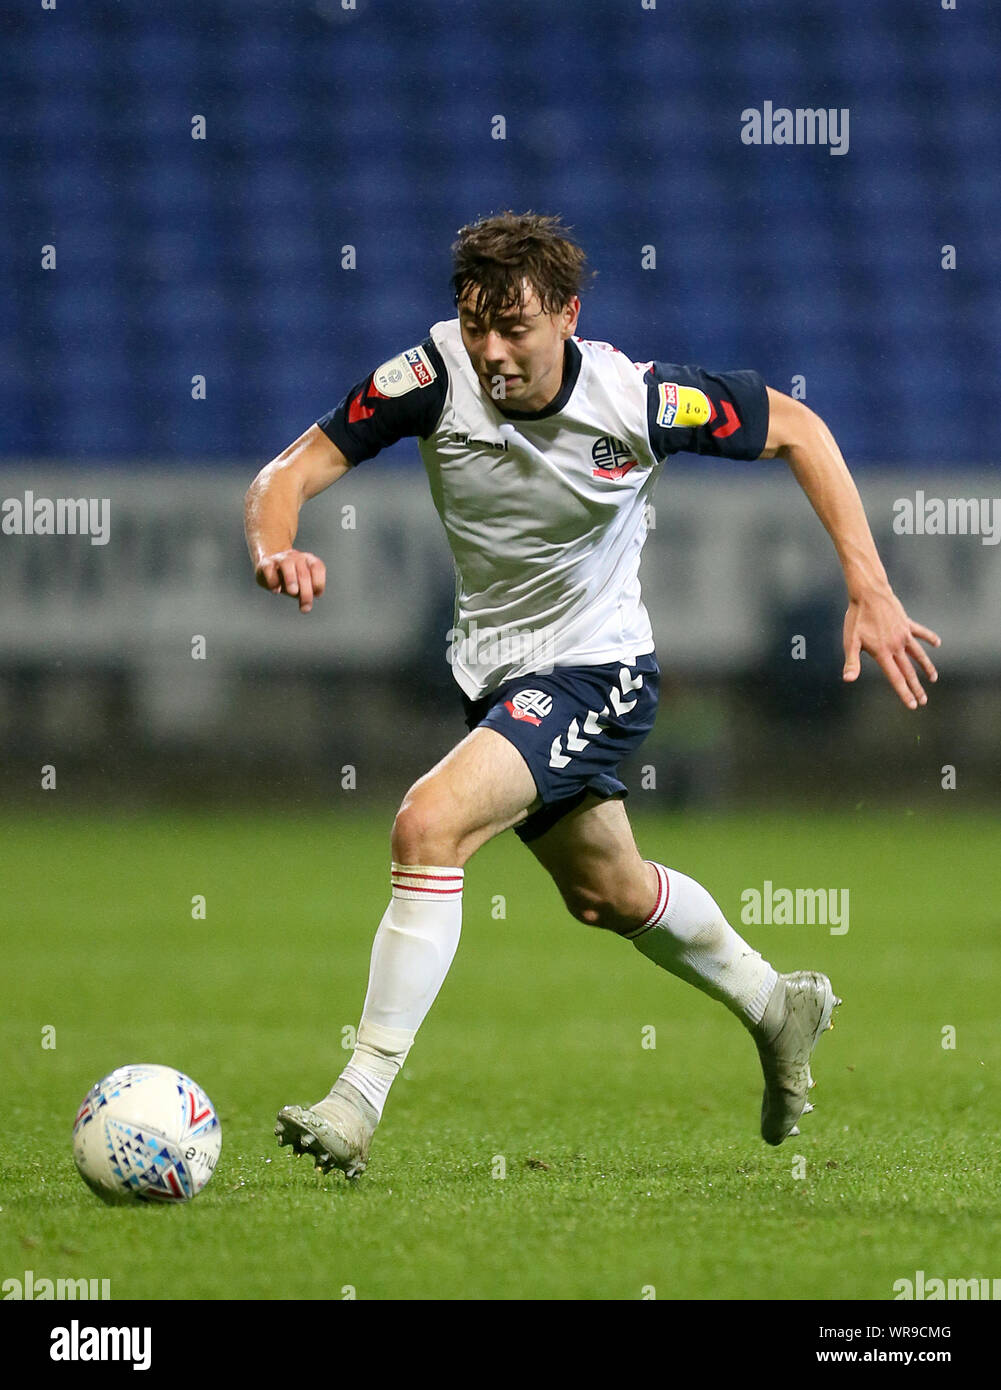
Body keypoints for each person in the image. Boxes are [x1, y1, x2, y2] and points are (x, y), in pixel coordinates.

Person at [243, 211, 940, 1178]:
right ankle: (776, 1003)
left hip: (597, 672)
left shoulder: (636, 400)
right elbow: (290, 470)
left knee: (426, 824)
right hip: (494, 676)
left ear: (567, 315)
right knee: (606, 893)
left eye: (515, 328)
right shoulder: (428, 378)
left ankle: (356, 1100)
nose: (492, 352)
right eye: (475, 325)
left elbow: (801, 430)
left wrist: (868, 585)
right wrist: (275, 544)